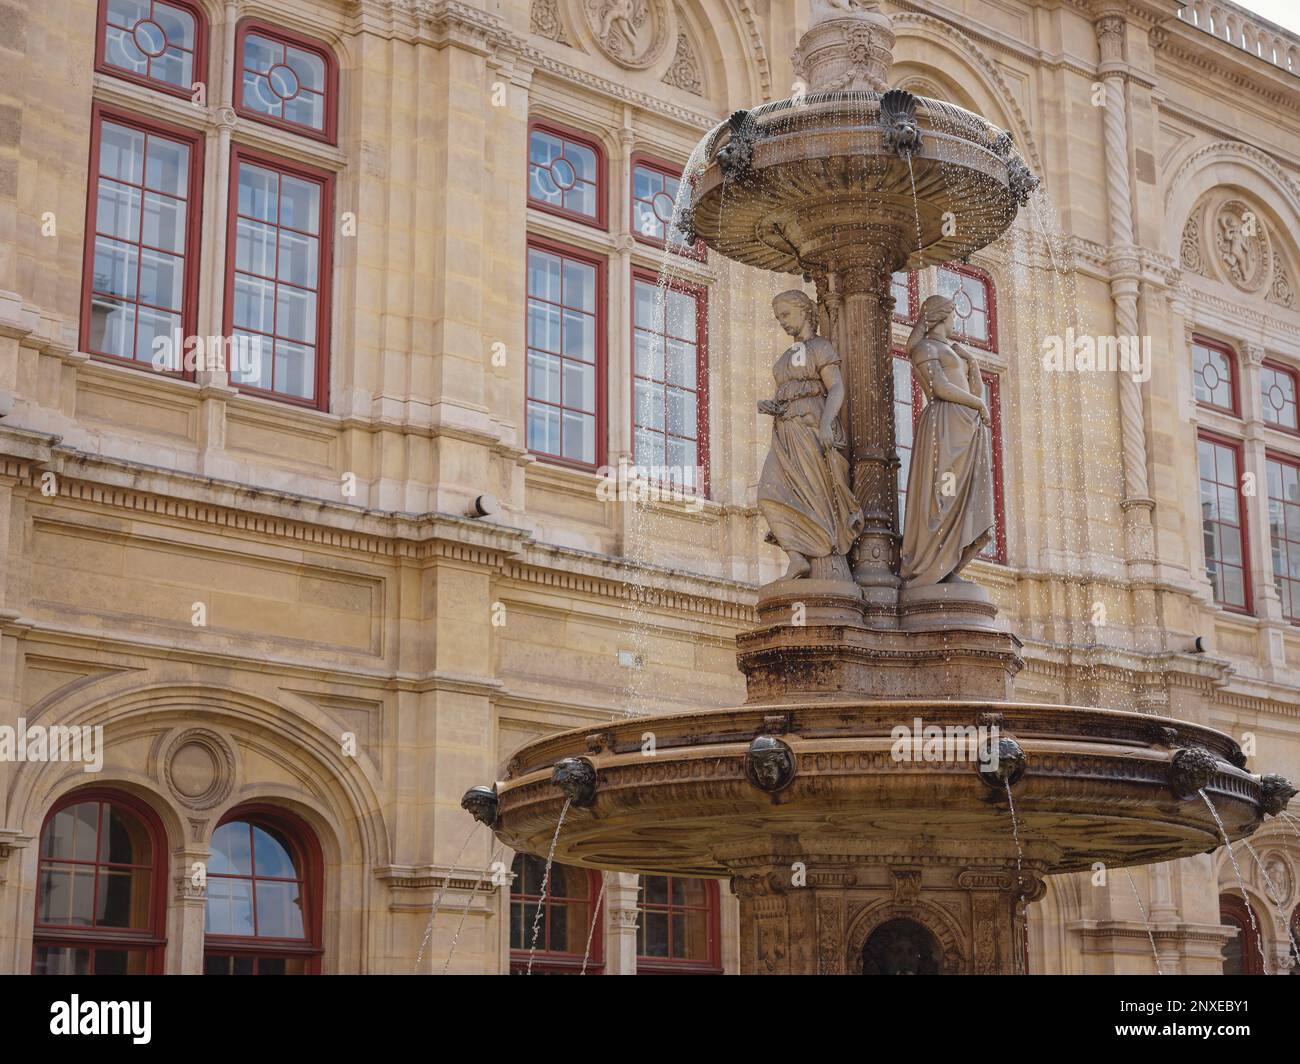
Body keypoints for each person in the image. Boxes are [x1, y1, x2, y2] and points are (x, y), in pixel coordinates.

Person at [756, 290, 864, 580]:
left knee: (817, 496)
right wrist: (775, 406)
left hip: (810, 428)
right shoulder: (785, 357)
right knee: (768, 491)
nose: (781, 322)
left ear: (804, 311)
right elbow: (790, 392)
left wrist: (827, 423)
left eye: (786, 314)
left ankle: (821, 553)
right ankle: (796, 556)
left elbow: (837, 388)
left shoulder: (820, 347)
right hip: (786, 432)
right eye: (778, 317)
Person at [900, 294, 995, 587]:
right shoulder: (925, 347)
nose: (955, 321)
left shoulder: (948, 349)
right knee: (942, 496)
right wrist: (978, 405)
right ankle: (932, 568)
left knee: (965, 496)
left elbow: (973, 391)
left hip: (963, 427)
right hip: (944, 426)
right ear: (942, 316)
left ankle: (951, 567)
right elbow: (939, 387)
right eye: (953, 315)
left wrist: (973, 365)